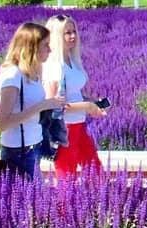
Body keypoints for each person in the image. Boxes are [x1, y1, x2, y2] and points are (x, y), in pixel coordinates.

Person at [0, 22, 66, 180]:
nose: (50, 49)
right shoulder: (12, 76)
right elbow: (2, 123)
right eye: (45, 45)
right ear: (31, 48)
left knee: (34, 201)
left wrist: (50, 105)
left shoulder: (33, 73)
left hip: (34, 146)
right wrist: (42, 106)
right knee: (24, 202)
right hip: (19, 152)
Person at [43, 14, 107, 177]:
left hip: (79, 125)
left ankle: (100, 203)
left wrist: (93, 104)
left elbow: (73, 94)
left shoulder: (72, 60)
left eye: (74, 31)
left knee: (95, 172)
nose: (72, 36)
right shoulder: (54, 65)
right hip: (65, 129)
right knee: (67, 177)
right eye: (67, 33)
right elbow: (52, 105)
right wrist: (87, 106)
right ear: (56, 36)